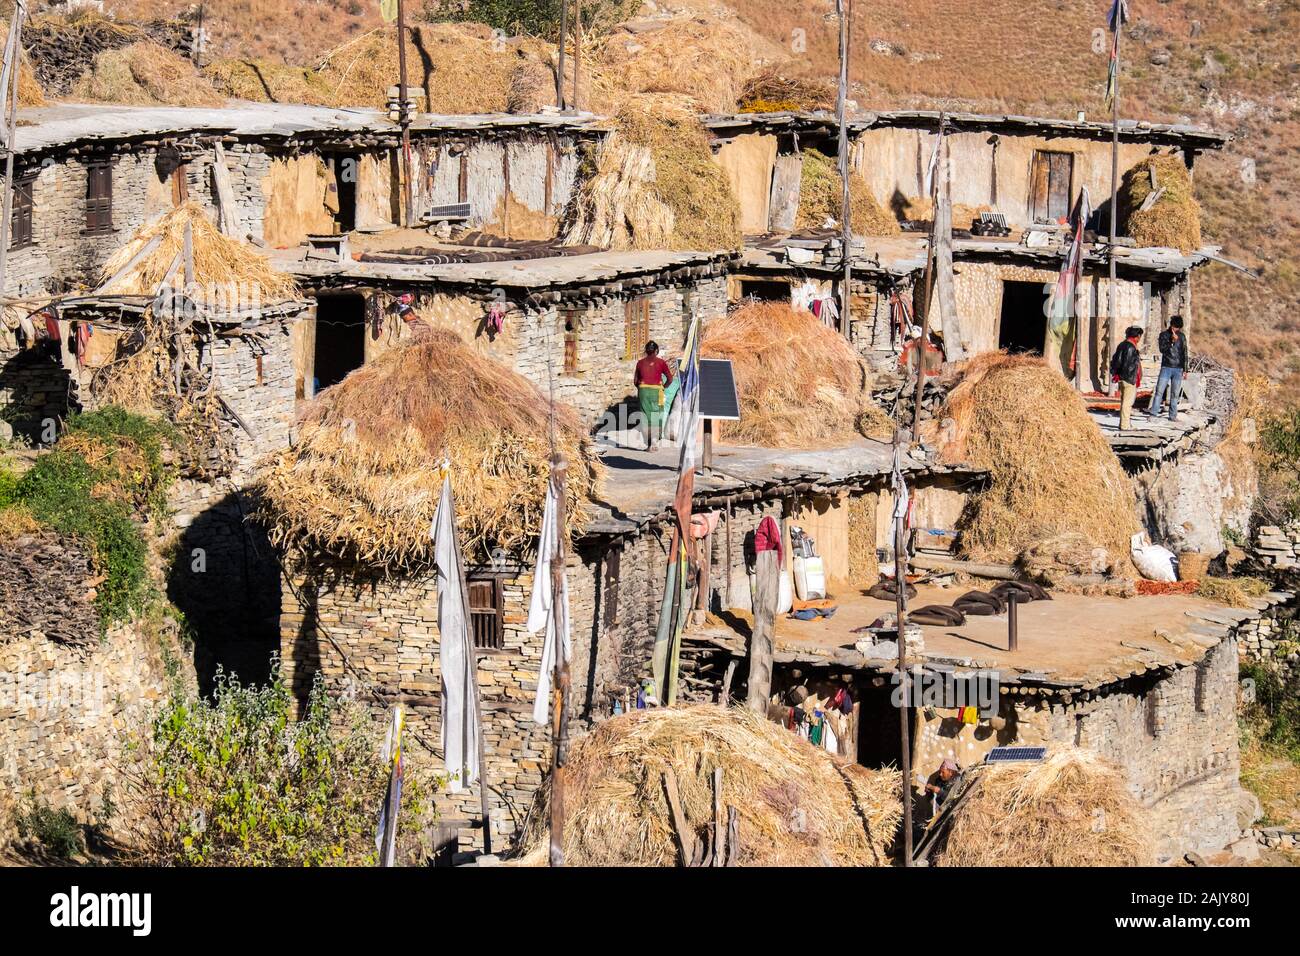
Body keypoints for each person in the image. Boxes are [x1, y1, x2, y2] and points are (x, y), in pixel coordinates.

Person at [634, 340, 673, 451]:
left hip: (643, 391)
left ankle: (649, 443)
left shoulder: (640, 363)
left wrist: (643, 389)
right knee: (656, 415)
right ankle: (654, 441)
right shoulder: (661, 362)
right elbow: (670, 379)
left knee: (645, 416)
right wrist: (663, 387)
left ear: (646, 351)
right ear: (656, 351)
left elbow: (635, 381)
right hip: (657, 391)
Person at [1150, 315, 1189, 421]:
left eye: (1178, 328)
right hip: (1166, 367)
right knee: (1159, 391)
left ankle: (1172, 416)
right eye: (1175, 327)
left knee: (1175, 394)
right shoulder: (1163, 335)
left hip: (1178, 368)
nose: (1176, 330)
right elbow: (1162, 349)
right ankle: (1153, 414)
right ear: (1171, 325)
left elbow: (1184, 353)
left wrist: (1185, 369)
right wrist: (1172, 341)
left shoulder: (1182, 336)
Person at [1109, 326, 1144, 430]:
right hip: (1128, 378)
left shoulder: (1123, 345)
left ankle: (1124, 423)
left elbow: (1117, 361)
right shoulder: (1130, 347)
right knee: (1127, 403)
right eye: (1140, 336)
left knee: (1125, 401)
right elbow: (1126, 364)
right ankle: (1125, 426)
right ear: (1137, 336)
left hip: (1123, 377)